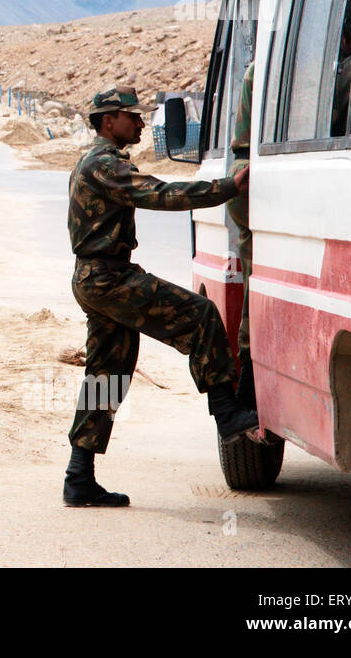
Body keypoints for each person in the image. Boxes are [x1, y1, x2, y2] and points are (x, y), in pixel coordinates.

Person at [63, 85, 257, 508]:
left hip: (97, 278)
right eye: (130, 116)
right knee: (201, 314)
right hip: (108, 278)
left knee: (106, 376)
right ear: (107, 121)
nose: (138, 123)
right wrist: (227, 187)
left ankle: (79, 477)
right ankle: (228, 413)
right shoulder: (104, 164)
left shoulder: (96, 161)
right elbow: (160, 194)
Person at [227, 61, 255, 409]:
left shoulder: (257, 64)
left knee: (255, 275)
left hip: (245, 164)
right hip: (249, 169)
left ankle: (244, 394)